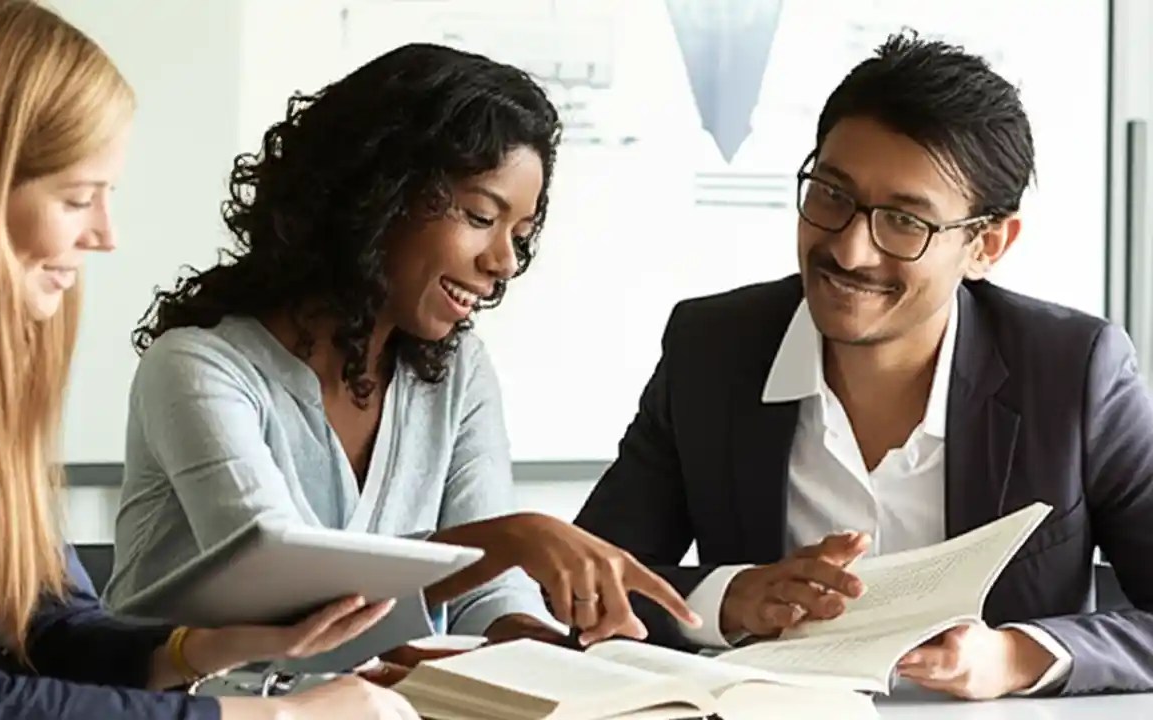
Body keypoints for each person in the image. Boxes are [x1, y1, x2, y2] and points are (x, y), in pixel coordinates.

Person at [0, 1, 426, 717]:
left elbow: (48, 630)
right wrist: (279, 714)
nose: (106, 235)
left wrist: (205, 646)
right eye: (77, 198)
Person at [574, 31, 1153, 699]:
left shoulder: (1073, 372)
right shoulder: (712, 349)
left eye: (905, 223)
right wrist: (734, 598)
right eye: (831, 194)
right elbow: (591, 582)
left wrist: (1019, 656)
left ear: (986, 245)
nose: (849, 251)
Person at [105, 41, 700, 669]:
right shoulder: (197, 368)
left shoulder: (459, 373)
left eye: (519, 236)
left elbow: (490, 594)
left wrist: (547, 650)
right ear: (378, 193)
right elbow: (294, 604)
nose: (504, 263)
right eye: (480, 216)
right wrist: (511, 538)